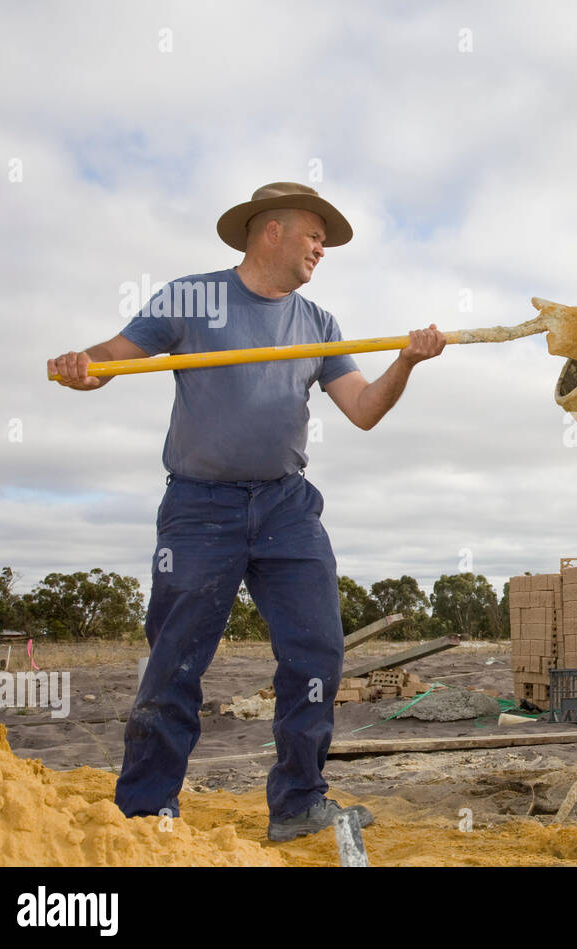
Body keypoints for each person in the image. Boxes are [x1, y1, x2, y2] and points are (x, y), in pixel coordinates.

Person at [47, 182, 445, 841]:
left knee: (317, 652)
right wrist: (86, 365)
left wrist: (405, 362)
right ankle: (146, 814)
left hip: (287, 506)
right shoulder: (191, 298)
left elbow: (366, 411)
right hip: (199, 508)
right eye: (314, 235)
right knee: (175, 659)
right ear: (272, 231)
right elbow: (117, 356)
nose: (323, 248)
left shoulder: (317, 324)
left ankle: (298, 804)